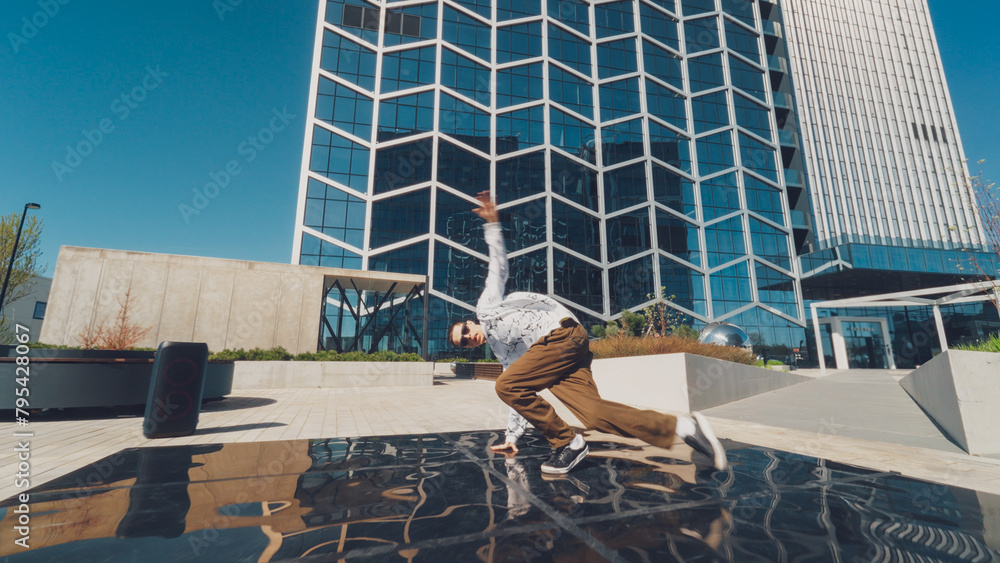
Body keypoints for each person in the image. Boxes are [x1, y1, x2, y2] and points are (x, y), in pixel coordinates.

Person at [448, 191, 727, 475]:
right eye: (464, 342)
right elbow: (517, 394)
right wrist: (512, 437)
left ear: (471, 322)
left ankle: (568, 443)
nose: (469, 337)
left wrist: (492, 225)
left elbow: (498, 268)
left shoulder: (486, 308)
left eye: (465, 330)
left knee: (505, 385)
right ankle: (684, 427)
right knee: (594, 415)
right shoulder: (503, 353)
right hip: (562, 356)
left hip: (562, 336)